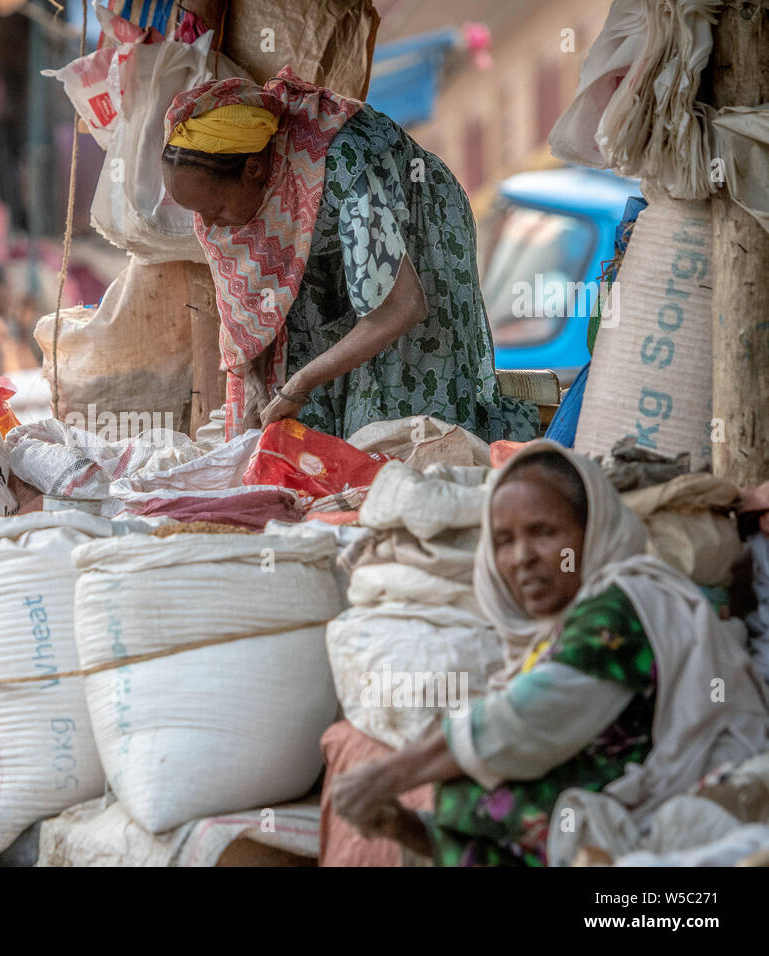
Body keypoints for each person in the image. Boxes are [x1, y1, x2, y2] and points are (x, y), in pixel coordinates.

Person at [328, 441, 769, 866]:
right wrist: (404, 827)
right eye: (503, 540)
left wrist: (389, 775)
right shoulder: (546, 639)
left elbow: (529, 717)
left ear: (590, 532)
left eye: (544, 532)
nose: (522, 558)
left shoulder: (624, 605)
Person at [161, 68, 538, 442]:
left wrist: (300, 385)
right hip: (329, 244)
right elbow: (257, 316)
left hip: (413, 228)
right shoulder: (223, 204)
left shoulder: (342, 163)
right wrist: (265, 390)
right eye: (197, 211)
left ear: (255, 170)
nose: (209, 224)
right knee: (302, 415)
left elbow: (401, 307)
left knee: (396, 415)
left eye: (216, 209)